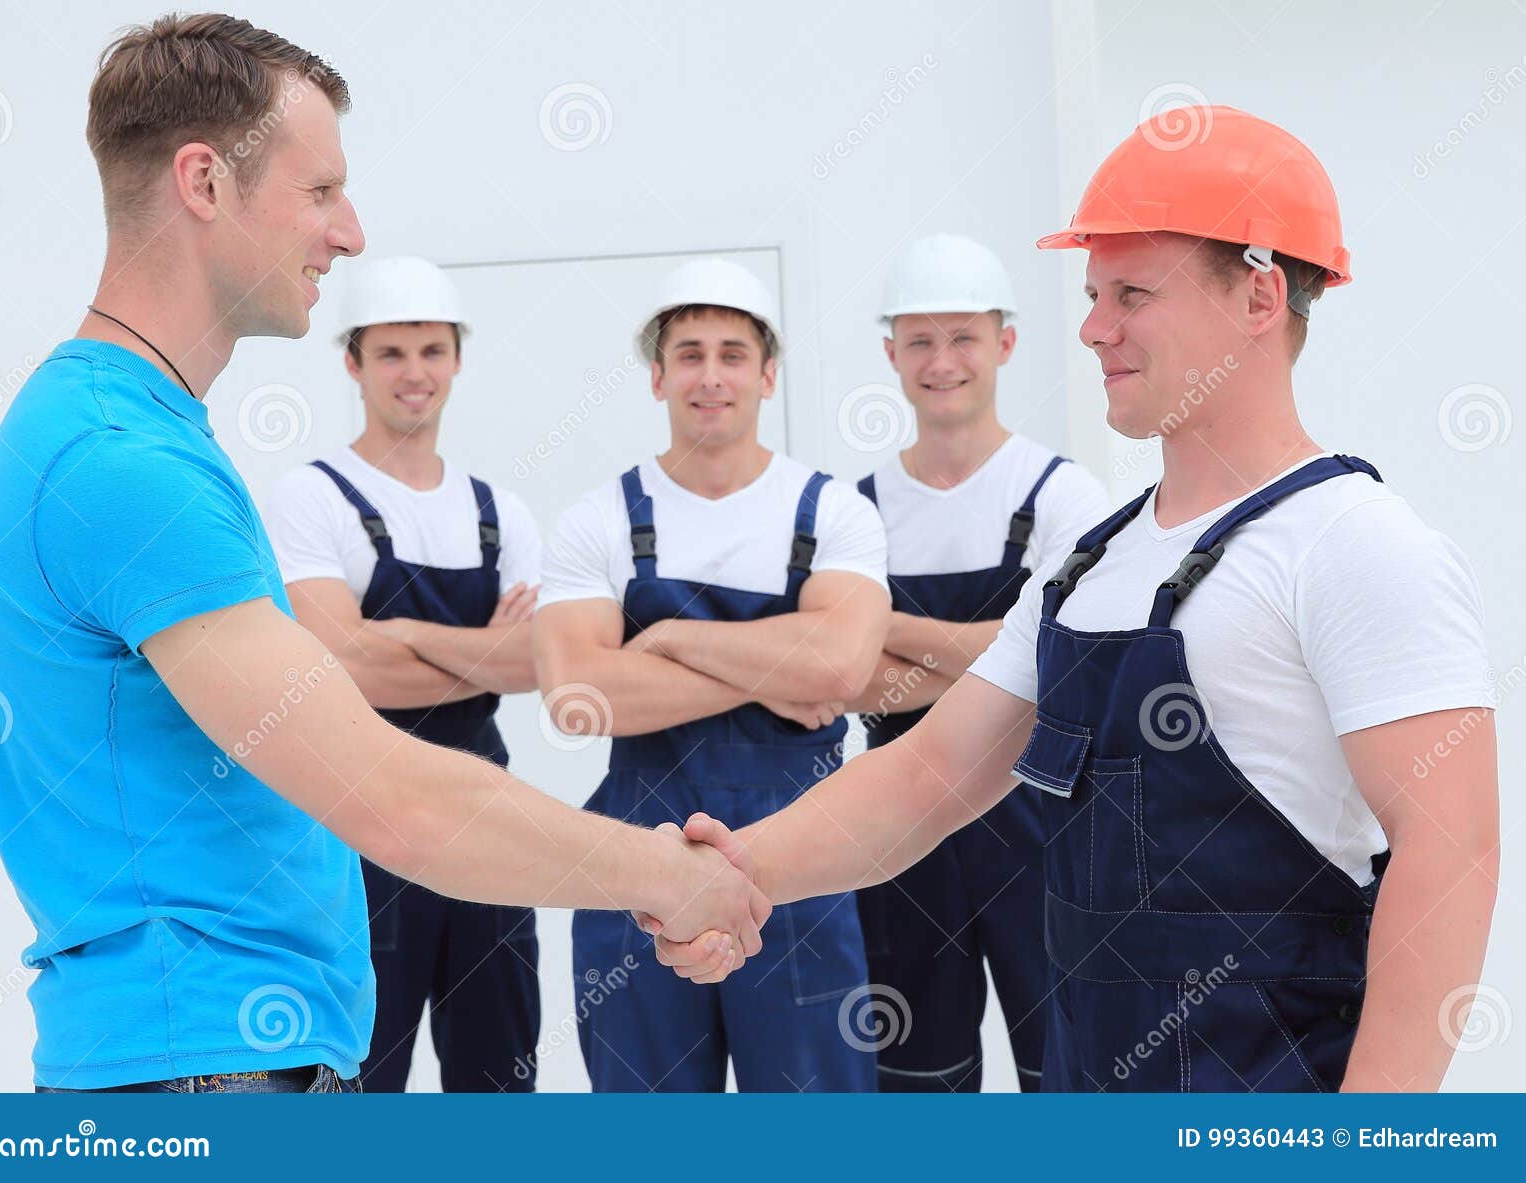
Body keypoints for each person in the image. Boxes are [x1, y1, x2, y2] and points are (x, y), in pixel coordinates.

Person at [0, 12, 764, 1095]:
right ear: (205, 182)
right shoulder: (118, 460)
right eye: (320, 190)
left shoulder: (136, 435)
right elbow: (390, 793)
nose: (350, 232)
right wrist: (664, 875)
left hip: (215, 1060)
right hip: (205, 1074)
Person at [651, 106, 1498, 1093]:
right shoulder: (1089, 566)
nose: (1095, 328)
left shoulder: (1354, 545)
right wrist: (731, 873)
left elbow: (1452, 858)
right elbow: (925, 778)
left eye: (1132, 292)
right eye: (1094, 294)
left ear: (1261, 299)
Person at [533, 258, 891, 1092]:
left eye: (733, 353)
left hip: (805, 854)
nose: (710, 375)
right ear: (657, 375)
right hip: (635, 850)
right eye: (688, 353)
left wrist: (661, 640)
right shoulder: (600, 518)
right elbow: (580, 699)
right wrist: (780, 667)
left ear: (768, 373)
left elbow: (841, 664)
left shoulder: (832, 510)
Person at [264, 256, 544, 1092]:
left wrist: (393, 641)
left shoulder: (501, 511)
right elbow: (338, 667)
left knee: (498, 1074)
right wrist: (482, 651)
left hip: (488, 818)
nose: (414, 373)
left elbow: (541, 663)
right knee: (362, 1073)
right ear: (352, 361)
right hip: (361, 825)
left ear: (457, 358)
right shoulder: (311, 497)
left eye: (431, 350)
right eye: (391, 353)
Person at [850, 233, 1108, 1092]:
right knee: (916, 1083)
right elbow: (842, 670)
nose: (942, 360)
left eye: (963, 336)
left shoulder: (1065, 494)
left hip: (1036, 818)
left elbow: (1058, 662)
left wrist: (886, 626)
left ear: (1005, 342)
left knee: (1062, 1070)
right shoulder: (853, 511)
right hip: (896, 823)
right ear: (891, 352)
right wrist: (997, 649)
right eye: (920, 340)